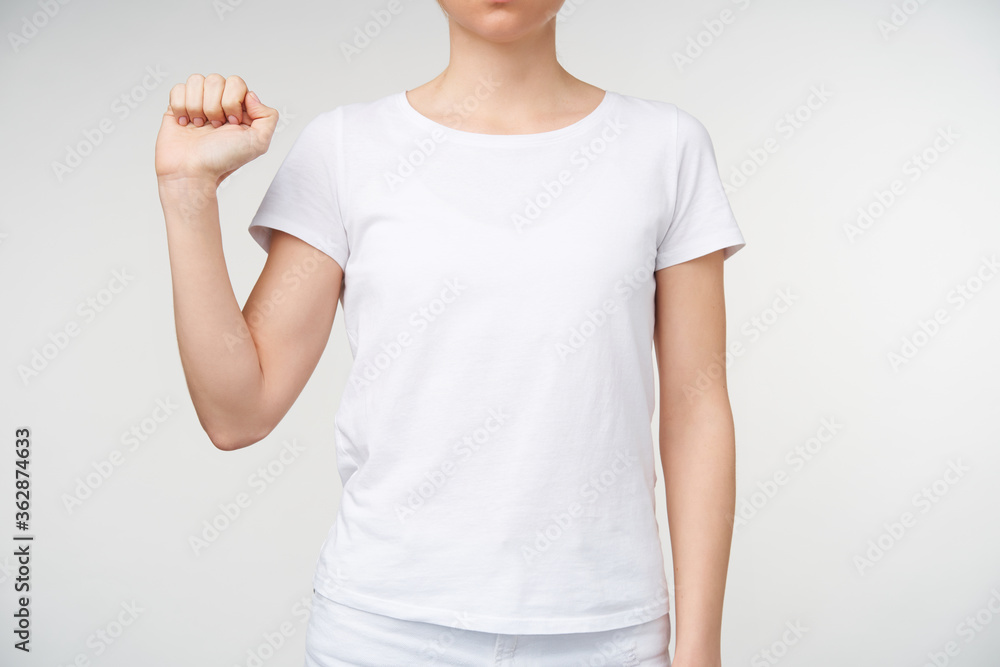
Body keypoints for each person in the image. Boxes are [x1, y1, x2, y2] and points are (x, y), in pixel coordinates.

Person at [154, 1, 745, 665]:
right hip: (382, 634)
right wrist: (186, 192)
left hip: (605, 634)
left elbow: (697, 408)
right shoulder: (345, 148)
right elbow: (237, 414)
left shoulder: (665, 146)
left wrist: (700, 647)